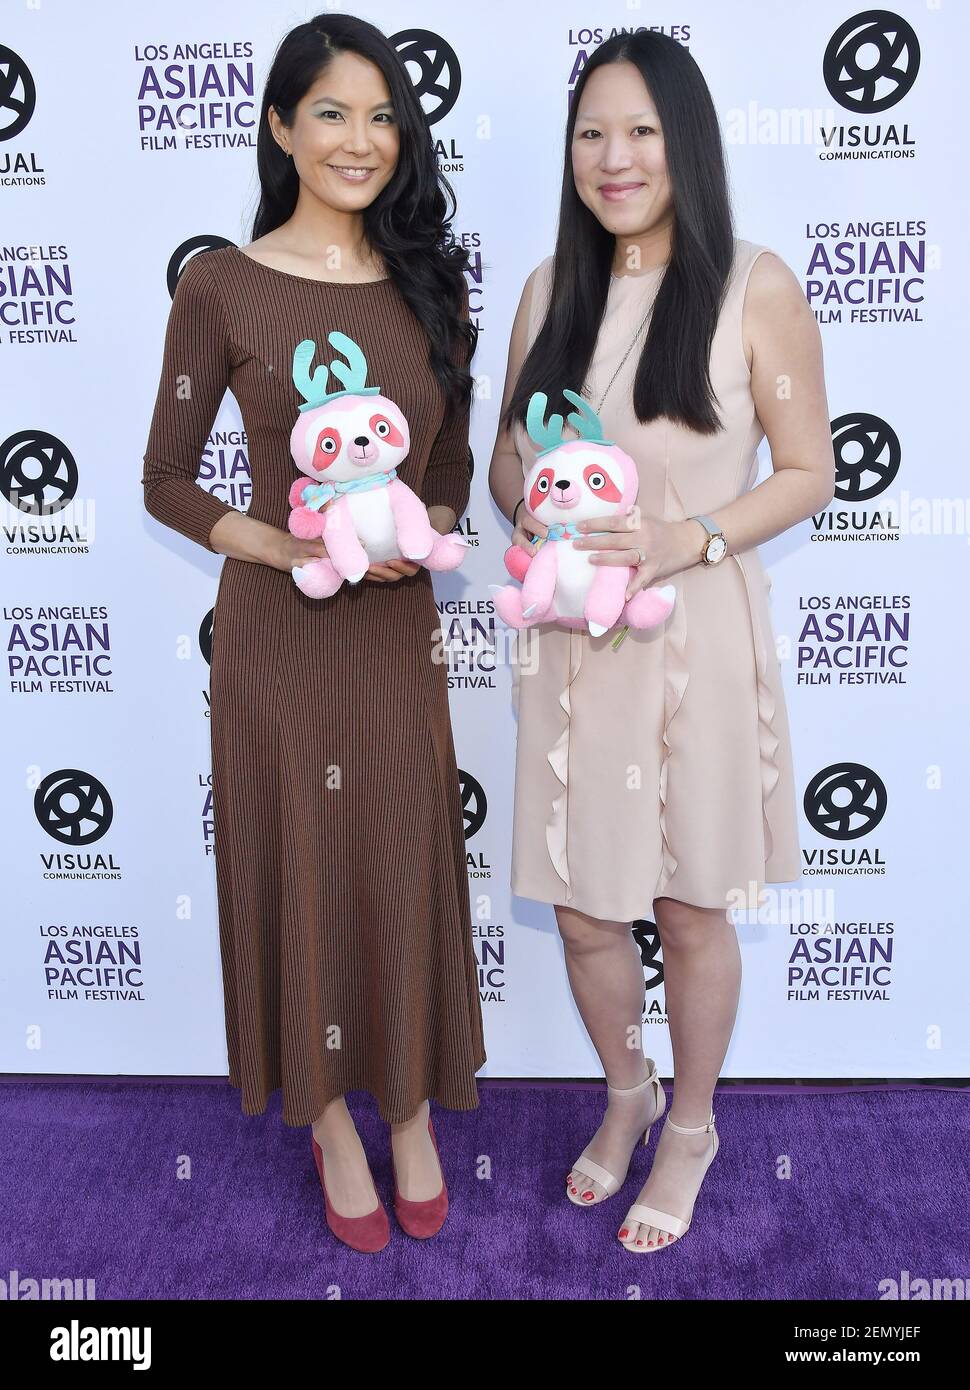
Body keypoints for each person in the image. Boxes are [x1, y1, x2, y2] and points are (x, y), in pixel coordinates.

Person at [141, 12, 485, 1254]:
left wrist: (425, 524)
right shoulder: (219, 283)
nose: (360, 140)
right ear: (281, 127)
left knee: (394, 859)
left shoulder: (430, 282)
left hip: (393, 630)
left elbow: (445, 466)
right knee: (297, 858)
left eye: (383, 114)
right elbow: (166, 480)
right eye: (330, 112)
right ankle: (332, 1117)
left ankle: (407, 1109)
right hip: (278, 640)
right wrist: (284, 547)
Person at [487, 30, 834, 1253]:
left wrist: (685, 537)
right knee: (584, 914)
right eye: (591, 133)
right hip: (575, 643)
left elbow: (809, 472)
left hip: (691, 631)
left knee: (688, 909)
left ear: (684, 142)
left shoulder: (754, 283)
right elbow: (502, 467)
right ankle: (623, 1092)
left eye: (638, 132)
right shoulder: (545, 289)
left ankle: (690, 1123)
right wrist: (532, 507)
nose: (614, 157)